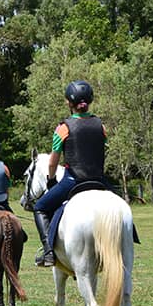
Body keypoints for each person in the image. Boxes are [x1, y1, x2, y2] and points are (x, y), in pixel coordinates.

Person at [33, 80, 107, 267]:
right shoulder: (101, 126)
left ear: (69, 103)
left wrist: (51, 180)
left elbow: (53, 162)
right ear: (89, 100)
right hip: (99, 181)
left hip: (74, 181)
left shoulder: (63, 128)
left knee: (40, 207)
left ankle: (48, 252)